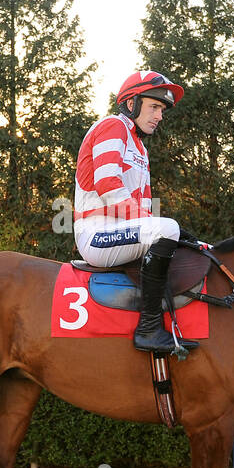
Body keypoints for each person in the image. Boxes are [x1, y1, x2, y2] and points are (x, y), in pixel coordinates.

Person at [73, 69, 195, 355]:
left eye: (162, 109)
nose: (159, 116)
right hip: (96, 234)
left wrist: (166, 229)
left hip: (122, 231)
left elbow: (144, 206)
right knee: (168, 229)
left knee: (178, 236)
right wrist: (161, 227)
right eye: (154, 106)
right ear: (132, 104)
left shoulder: (140, 148)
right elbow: (108, 184)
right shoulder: (113, 126)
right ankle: (149, 329)